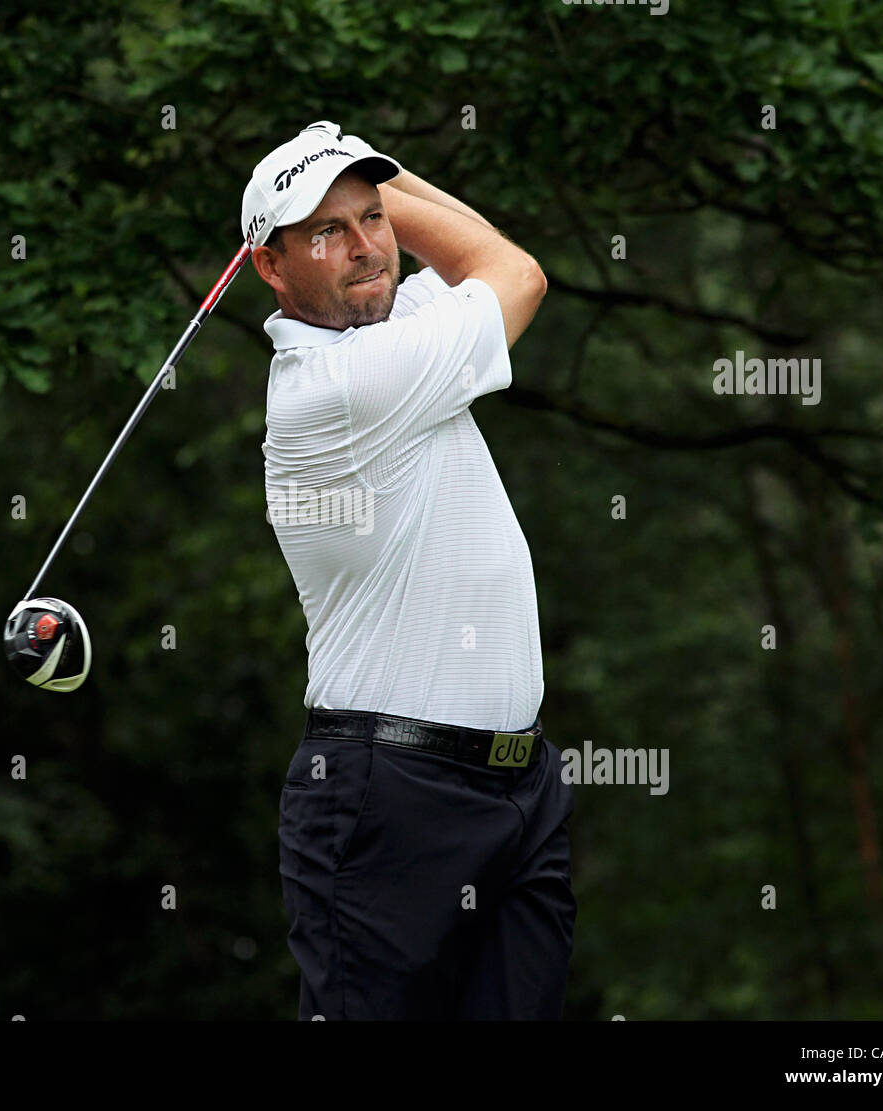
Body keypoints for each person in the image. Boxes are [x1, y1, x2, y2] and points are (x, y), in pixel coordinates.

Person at [243, 121, 574, 1020]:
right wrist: (372, 160)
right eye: (326, 232)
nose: (364, 248)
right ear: (270, 268)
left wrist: (364, 166)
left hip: (519, 786)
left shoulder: (395, 325)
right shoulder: (337, 389)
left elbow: (485, 263)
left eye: (373, 218)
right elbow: (515, 272)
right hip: (387, 798)